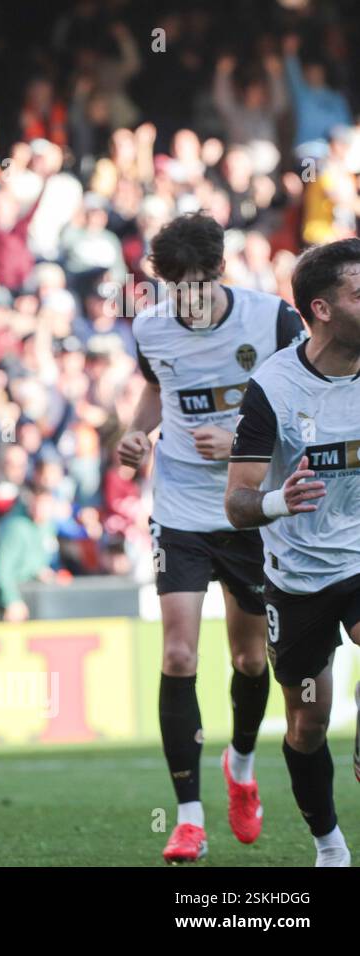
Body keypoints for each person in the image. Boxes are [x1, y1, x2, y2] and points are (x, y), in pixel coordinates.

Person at [118, 212, 308, 862]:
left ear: (219, 272)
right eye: (175, 288)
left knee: (253, 661)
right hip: (180, 508)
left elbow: (308, 405)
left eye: (197, 285)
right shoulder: (149, 327)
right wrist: (137, 432)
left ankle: (243, 767)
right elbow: (154, 391)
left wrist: (242, 443)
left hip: (249, 508)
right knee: (177, 655)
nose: (187, 300)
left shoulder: (273, 321)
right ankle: (189, 818)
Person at [226, 237, 360, 867]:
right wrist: (281, 500)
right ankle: (328, 845)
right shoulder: (273, 388)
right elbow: (238, 503)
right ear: (322, 308)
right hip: (297, 574)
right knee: (308, 723)